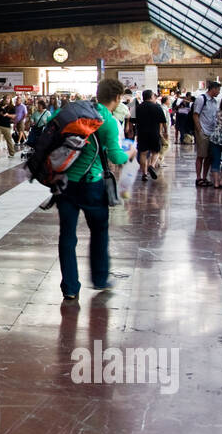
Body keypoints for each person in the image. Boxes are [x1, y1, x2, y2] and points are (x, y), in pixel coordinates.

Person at [52, 77, 129, 301]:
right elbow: (116, 156)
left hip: (64, 182)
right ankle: (100, 278)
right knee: (99, 232)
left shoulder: (72, 112)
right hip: (92, 185)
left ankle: (69, 286)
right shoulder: (109, 120)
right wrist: (130, 154)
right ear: (117, 98)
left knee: (67, 235)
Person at [192, 82, 222, 187]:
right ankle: (198, 178)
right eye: (218, 90)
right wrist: (200, 130)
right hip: (203, 131)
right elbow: (195, 115)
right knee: (201, 155)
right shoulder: (201, 99)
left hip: (212, 132)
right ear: (212, 89)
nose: (219, 92)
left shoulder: (214, 102)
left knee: (209, 156)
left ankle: (205, 177)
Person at [135, 89, 166, 181]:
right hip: (154, 133)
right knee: (155, 151)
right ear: (151, 97)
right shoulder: (157, 107)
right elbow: (163, 121)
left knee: (143, 153)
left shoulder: (137, 107)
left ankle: (144, 174)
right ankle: (151, 165)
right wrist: (166, 132)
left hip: (141, 133)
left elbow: (133, 121)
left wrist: (132, 131)